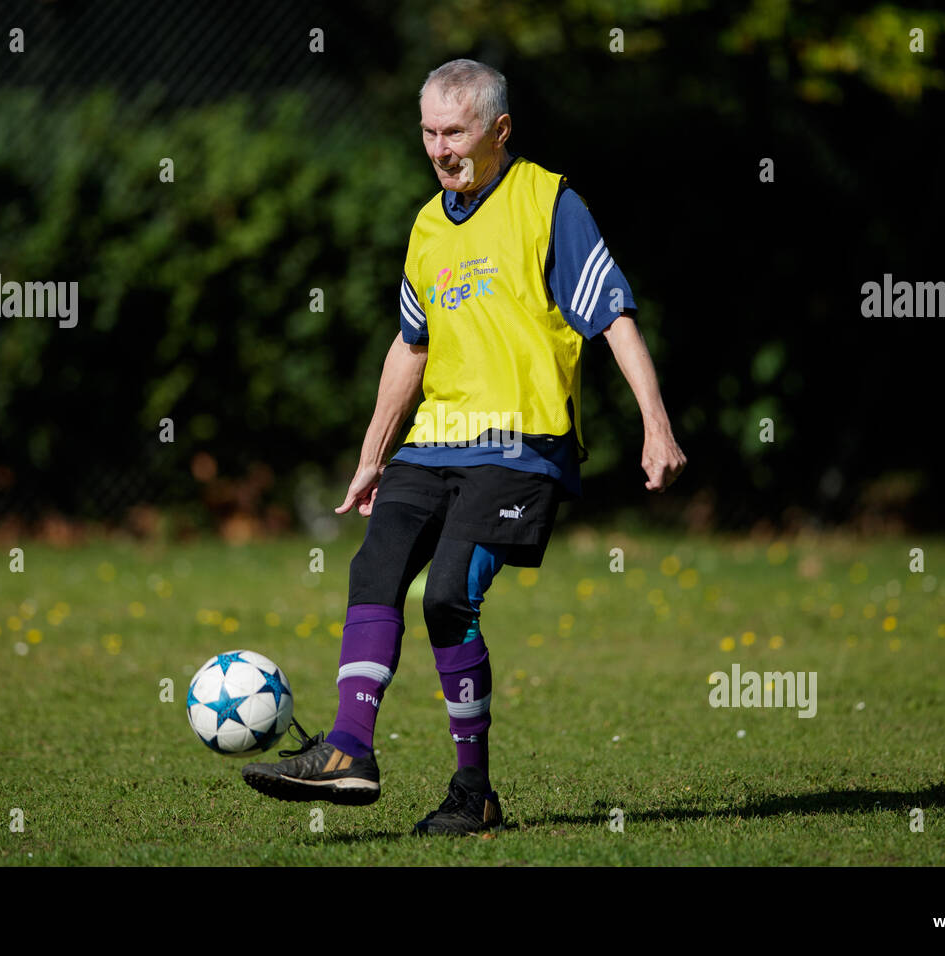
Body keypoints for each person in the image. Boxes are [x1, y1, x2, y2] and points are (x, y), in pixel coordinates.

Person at [242, 59, 686, 835]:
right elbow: (410, 347)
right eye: (429, 133)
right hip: (432, 444)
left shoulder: (550, 203)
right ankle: (349, 750)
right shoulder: (424, 227)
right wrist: (373, 453)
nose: (441, 149)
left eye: (457, 132)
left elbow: (612, 315)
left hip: (521, 446)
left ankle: (472, 792)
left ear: (499, 130)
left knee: (449, 596)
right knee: (374, 568)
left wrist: (656, 422)